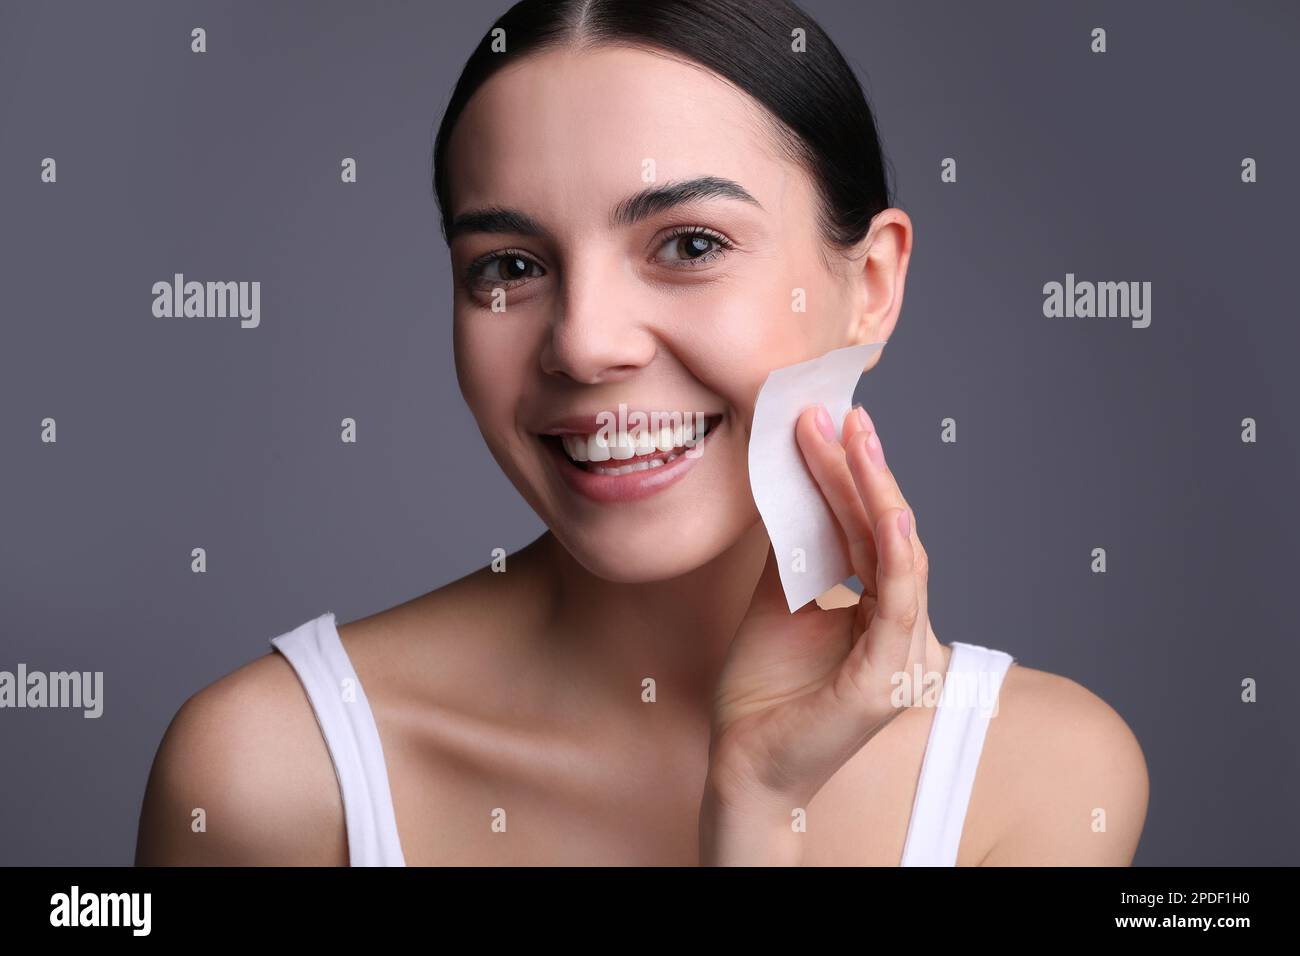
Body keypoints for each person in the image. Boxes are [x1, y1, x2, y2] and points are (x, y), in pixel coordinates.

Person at [135, 0, 1148, 866]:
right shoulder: (269, 773)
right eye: (508, 265)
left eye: (690, 243)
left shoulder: (1039, 776)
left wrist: (754, 816)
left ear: (870, 286)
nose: (583, 343)